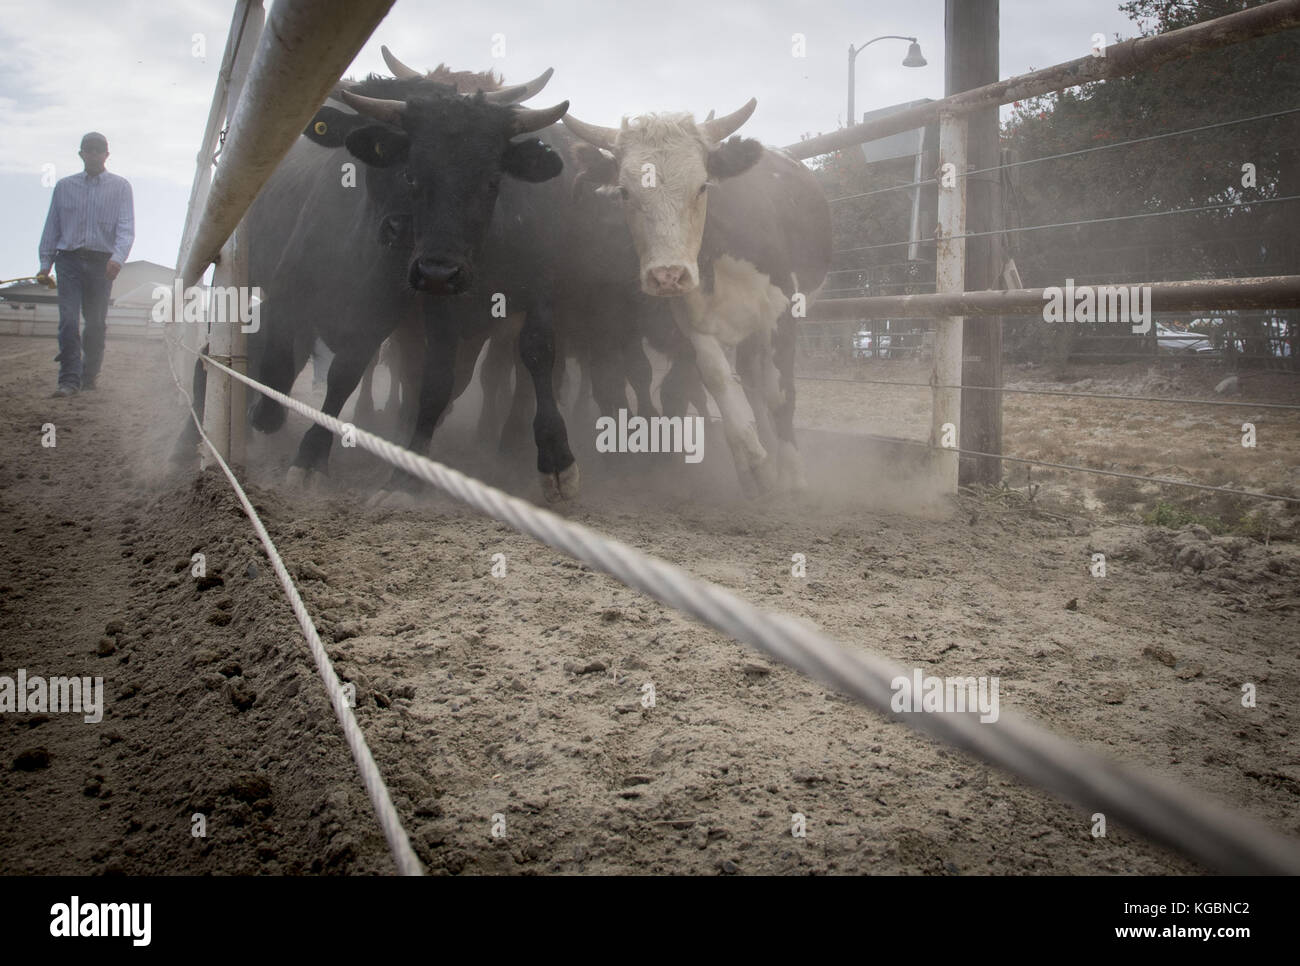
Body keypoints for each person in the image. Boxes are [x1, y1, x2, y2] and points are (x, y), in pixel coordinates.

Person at [37, 132, 134, 397]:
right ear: (81, 154)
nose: (93, 154)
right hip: (67, 260)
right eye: (88, 150)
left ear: (106, 154)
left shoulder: (121, 187)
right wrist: (45, 263)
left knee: (95, 323)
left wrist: (117, 258)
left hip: (101, 263)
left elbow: (126, 227)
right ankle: (68, 379)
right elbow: (52, 226)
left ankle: (89, 374)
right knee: (68, 320)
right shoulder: (64, 187)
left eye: (98, 150)